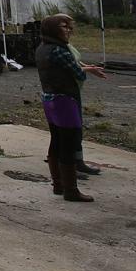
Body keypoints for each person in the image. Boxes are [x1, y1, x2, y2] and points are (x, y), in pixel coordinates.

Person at [35, 14, 107, 202]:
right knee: (67, 142)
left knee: (56, 141)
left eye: (69, 26)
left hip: (49, 98)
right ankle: (71, 189)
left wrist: (85, 68)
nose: (67, 29)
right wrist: (87, 71)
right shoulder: (59, 50)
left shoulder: (43, 47)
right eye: (63, 26)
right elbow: (77, 74)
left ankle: (58, 184)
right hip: (64, 99)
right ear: (53, 29)